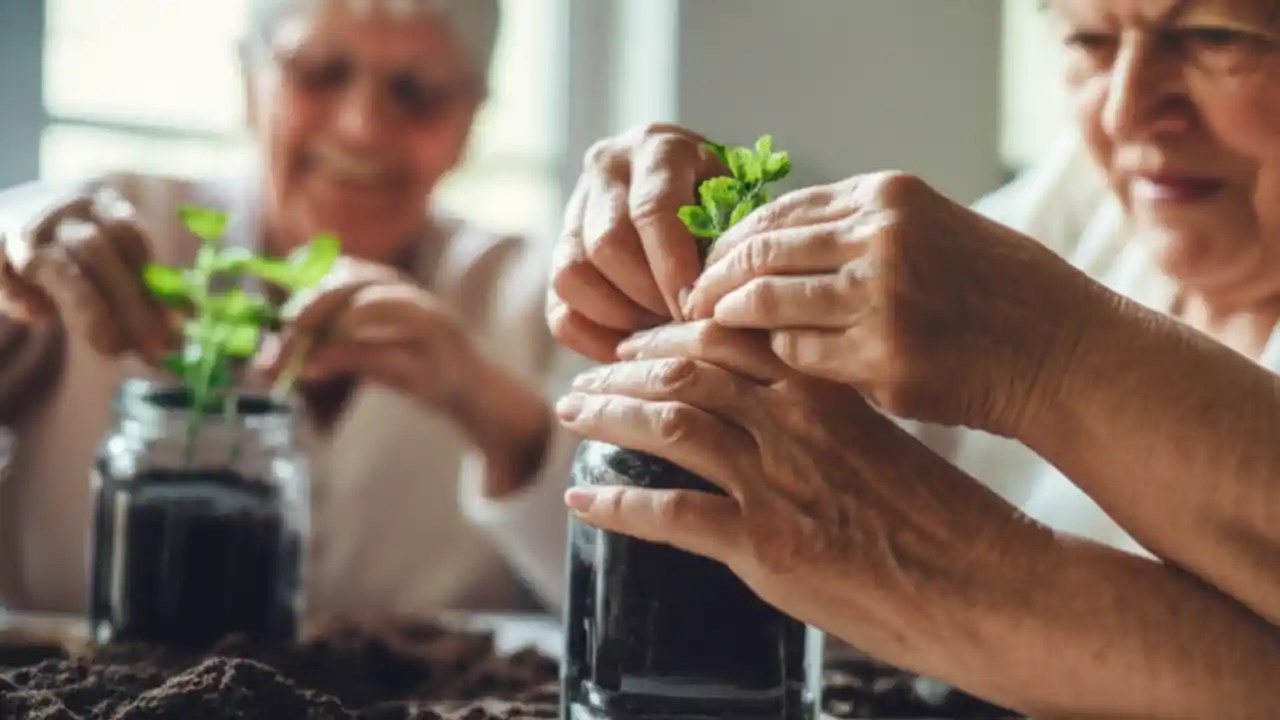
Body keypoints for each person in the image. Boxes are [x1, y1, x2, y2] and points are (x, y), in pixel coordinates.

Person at [537, 0, 1280, 714]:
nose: (1125, 110)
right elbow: (849, 427)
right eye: (1088, 41)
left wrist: (1042, 361)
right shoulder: (1091, 200)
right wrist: (725, 285)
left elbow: (993, 352)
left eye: (1218, 35)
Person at [0, 0, 582, 618]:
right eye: (321, 71)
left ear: (470, 121)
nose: (362, 126)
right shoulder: (119, 231)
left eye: (418, 92)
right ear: (250, 85)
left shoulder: (530, 296)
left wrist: (493, 409)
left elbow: (618, 598)